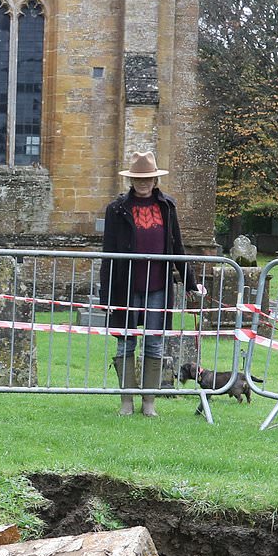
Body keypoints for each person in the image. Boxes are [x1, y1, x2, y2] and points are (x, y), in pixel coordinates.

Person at [99, 152, 204, 416]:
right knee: (126, 342)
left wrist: (190, 282)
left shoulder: (167, 206)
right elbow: (108, 253)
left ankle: (149, 402)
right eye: (138, 178)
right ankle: (126, 401)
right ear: (131, 180)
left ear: (155, 179)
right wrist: (106, 296)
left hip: (158, 286)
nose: (143, 183)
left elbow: (177, 246)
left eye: (147, 178)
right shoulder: (117, 209)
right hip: (126, 287)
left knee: (155, 343)